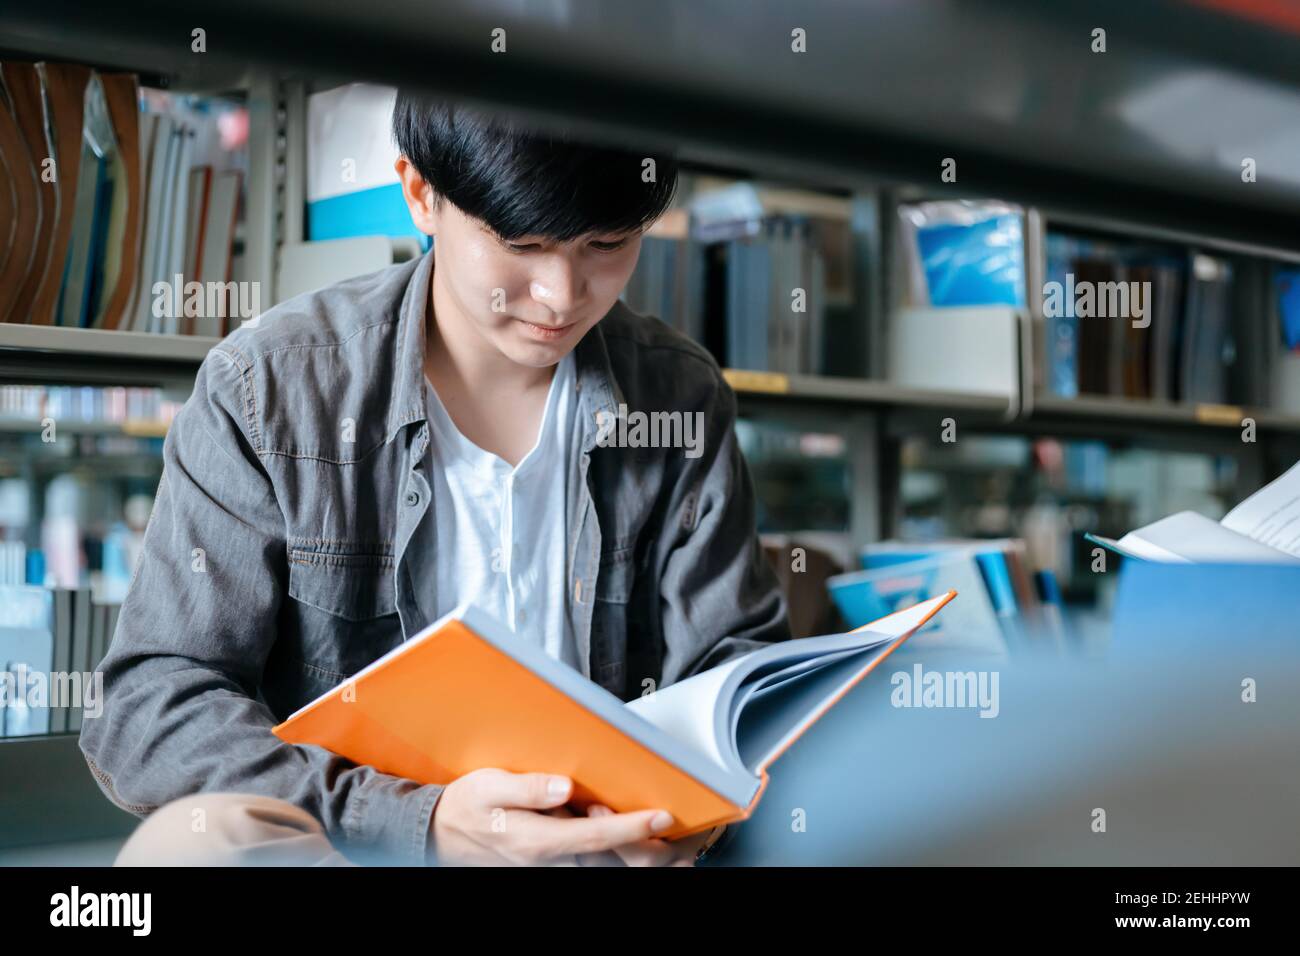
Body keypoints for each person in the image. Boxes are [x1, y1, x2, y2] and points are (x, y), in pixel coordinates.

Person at [81, 91, 790, 866]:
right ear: (422, 194)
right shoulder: (268, 390)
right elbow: (152, 710)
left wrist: (697, 814)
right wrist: (421, 822)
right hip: (358, 857)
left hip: (610, 857)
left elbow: (739, 675)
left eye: (607, 244)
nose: (561, 294)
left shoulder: (678, 395)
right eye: (520, 243)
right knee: (191, 852)